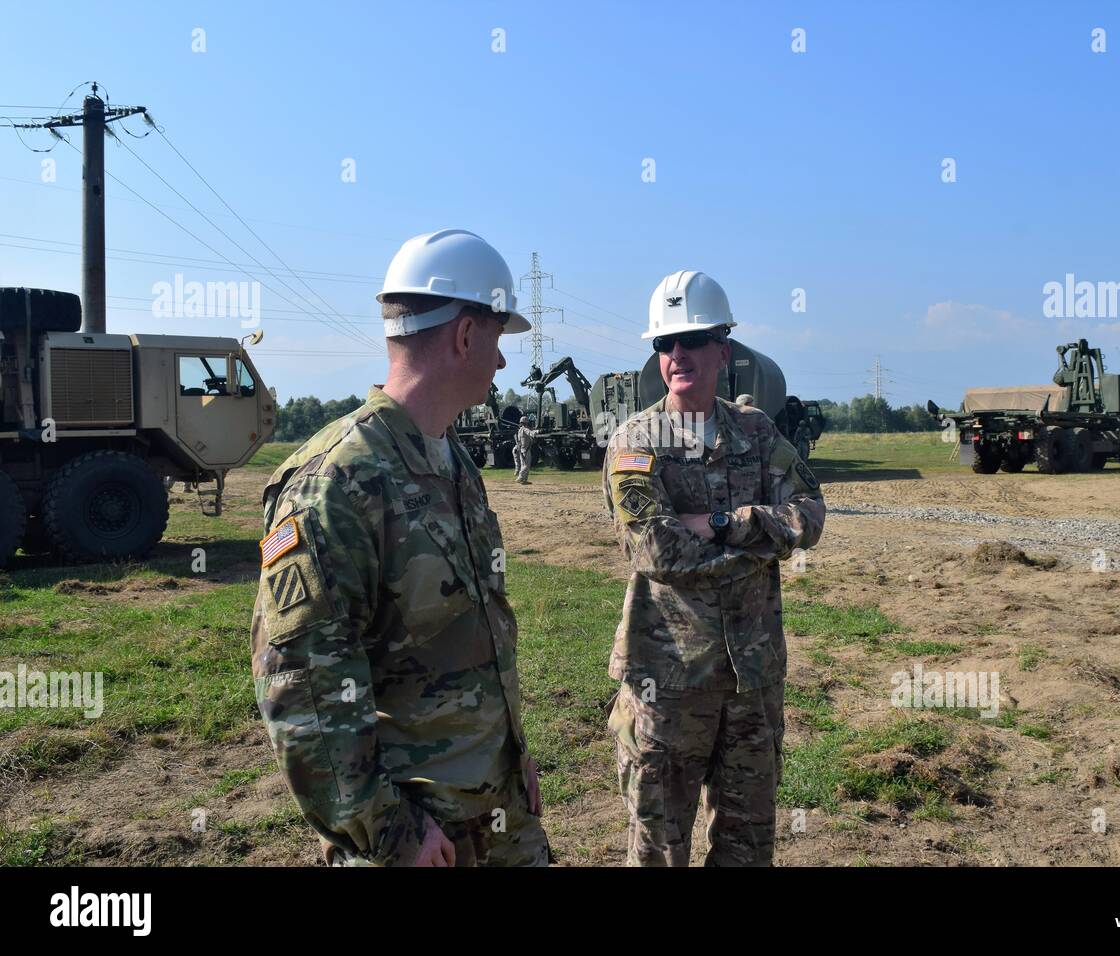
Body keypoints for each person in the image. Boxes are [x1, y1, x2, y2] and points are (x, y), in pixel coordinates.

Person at [250, 229, 549, 867]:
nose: (502, 362)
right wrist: (388, 832)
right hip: (420, 838)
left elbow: (477, 633)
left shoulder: (453, 461)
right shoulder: (335, 482)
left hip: (496, 814)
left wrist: (511, 760)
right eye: (498, 339)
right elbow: (305, 684)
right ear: (466, 335)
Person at [601, 269, 825, 866]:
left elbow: (811, 514)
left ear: (723, 348)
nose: (678, 354)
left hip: (752, 681)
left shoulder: (756, 430)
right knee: (659, 851)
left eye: (693, 339)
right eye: (664, 343)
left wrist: (726, 523)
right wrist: (765, 540)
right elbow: (658, 552)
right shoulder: (634, 444)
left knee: (747, 848)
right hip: (667, 686)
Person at [514, 415, 536, 484]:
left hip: (522, 450)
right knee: (526, 465)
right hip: (526, 450)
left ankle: (524, 480)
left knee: (523, 465)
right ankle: (520, 477)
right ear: (526, 422)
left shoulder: (520, 430)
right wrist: (536, 432)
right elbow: (530, 433)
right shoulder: (525, 429)